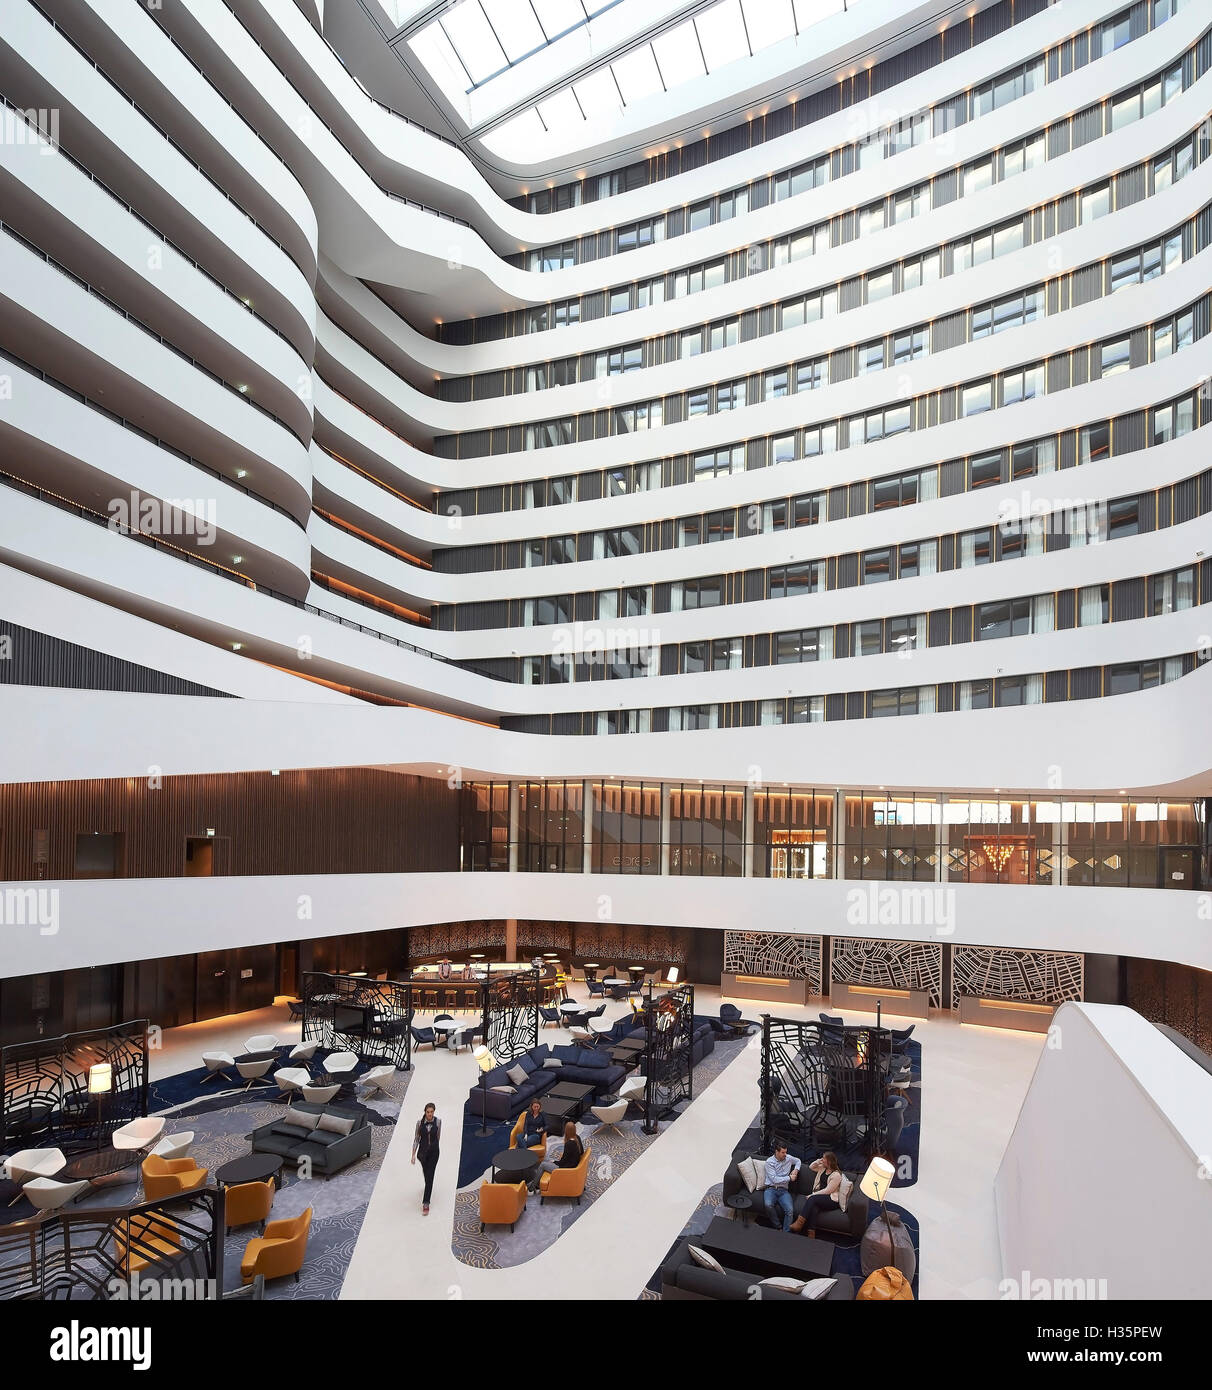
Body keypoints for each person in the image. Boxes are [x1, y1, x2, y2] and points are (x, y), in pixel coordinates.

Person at [791, 1151, 842, 1236]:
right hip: (821, 1197)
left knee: (812, 1199)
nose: (822, 1159)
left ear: (829, 1161)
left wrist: (813, 1195)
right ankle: (811, 1233)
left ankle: (799, 1224)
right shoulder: (822, 1168)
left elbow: (828, 1191)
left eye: (824, 1158)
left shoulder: (836, 1175)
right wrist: (818, 1161)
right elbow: (811, 1167)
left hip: (831, 1199)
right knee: (814, 1207)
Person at [531, 1120, 584, 1191]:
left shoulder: (569, 1144)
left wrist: (555, 1161)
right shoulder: (577, 1138)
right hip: (572, 1165)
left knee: (543, 1164)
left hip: (565, 1170)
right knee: (549, 1162)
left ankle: (531, 1188)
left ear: (566, 1131)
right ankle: (537, 1185)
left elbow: (562, 1163)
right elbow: (581, 1152)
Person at [762, 1141, 801, 1231]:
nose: (785, 1154)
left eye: (786, 1152)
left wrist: (796, 1170)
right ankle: (778, 1227)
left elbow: (798, 1161)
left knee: (790, 1211)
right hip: (771, 1189)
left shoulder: (788, 1158)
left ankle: (785, 1232)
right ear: (777, 1152)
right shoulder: (769, 1162)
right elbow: (774, 1180)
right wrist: (789, 1178)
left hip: (784, 1191)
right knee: (768, 1205)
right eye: (783, 1152)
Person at [411, 1102, 441, 1215]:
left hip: (434, 1153)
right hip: (422, 1154)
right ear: (425, 1112)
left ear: (434, 1112)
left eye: (432, 1112)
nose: (430, 1114)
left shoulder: (438, 1122)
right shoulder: (419, 1123)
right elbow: (416, 1139)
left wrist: (434, 1146)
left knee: (430, 1175)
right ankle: (428, 1185)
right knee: (426, 1174)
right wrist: (413, 1155)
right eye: (428, 1112)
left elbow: (438, 1136)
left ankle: (426, 1203)